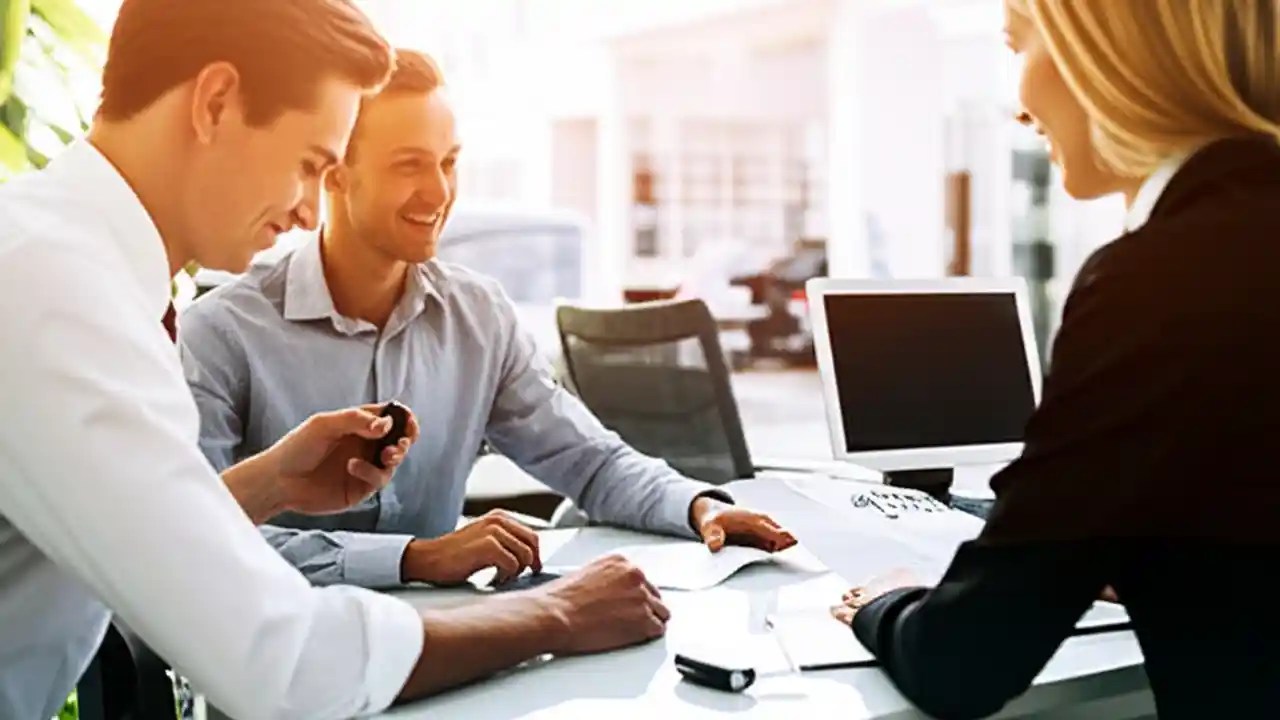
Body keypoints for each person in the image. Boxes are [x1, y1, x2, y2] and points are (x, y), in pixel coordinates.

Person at [0, 3, 677, 718]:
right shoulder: (51, 289)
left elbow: (131, 538)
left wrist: (268, 483)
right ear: (216, 103)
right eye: (309, 165)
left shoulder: (60, 260)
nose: (304, 209)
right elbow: (282, 667)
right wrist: (558, 615)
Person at [178, 49, 797, 590]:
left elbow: (590, 462)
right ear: (335, 173)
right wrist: (414, 560)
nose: (440, 192)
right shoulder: (223, 333)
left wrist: (698, 508)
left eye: (448, 162)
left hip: (445, 650)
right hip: (286, 670)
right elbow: (195, 542)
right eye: (409, 165)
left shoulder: (478, 316)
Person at [831, 1, 1280, 718]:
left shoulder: (1162, 277)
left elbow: (963, 661)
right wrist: (1144, 559)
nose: (1018, 106)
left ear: (1105, 46)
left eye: (1019, 46)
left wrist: (881, 603)